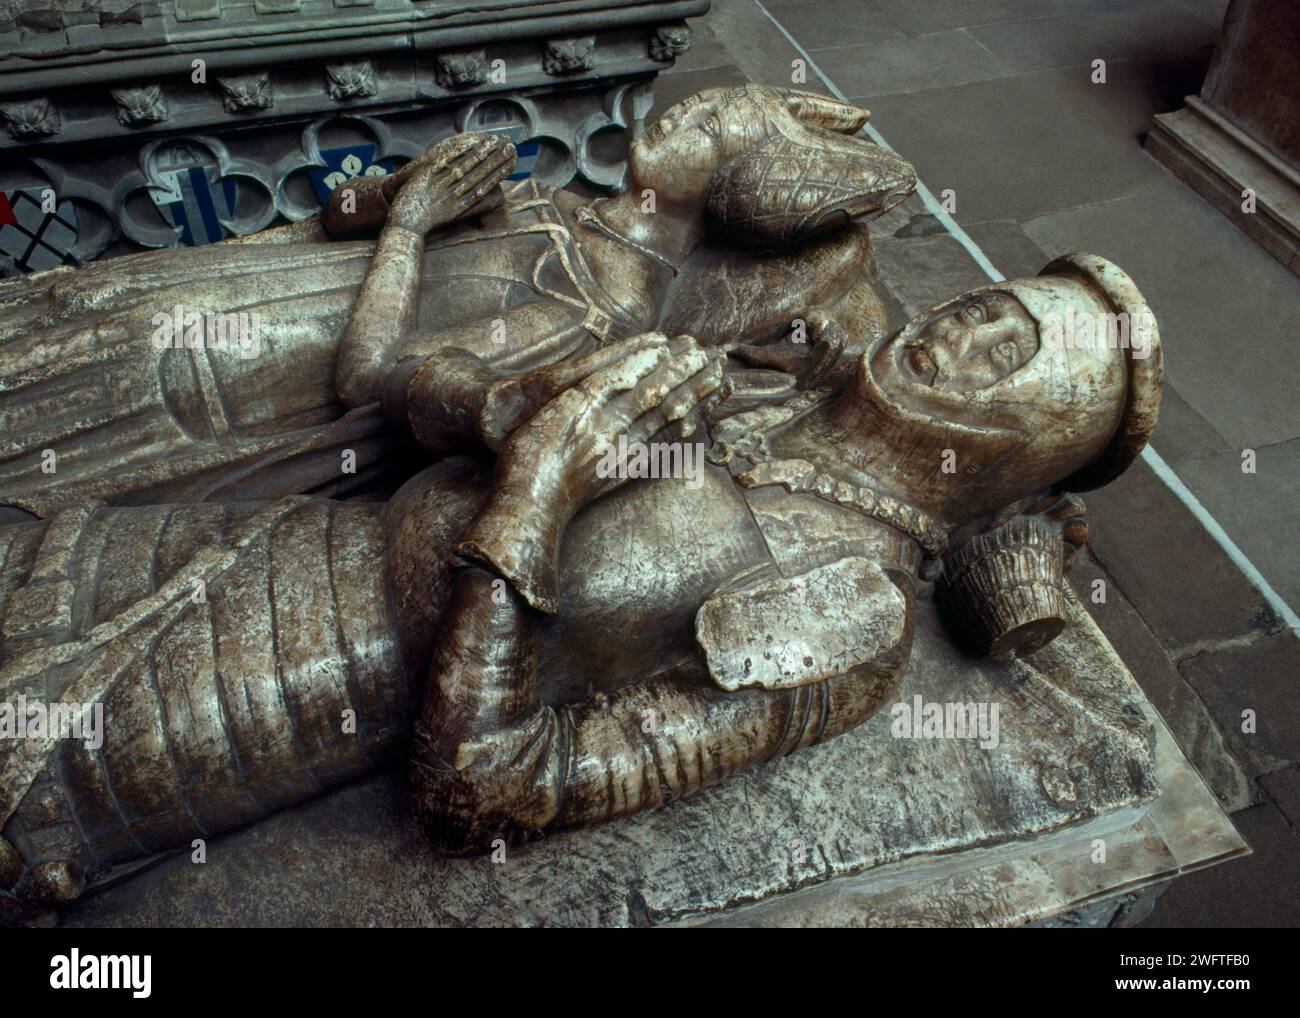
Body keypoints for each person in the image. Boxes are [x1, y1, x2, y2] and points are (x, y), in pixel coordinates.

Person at [0, 254, 1160, 913]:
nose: (956, 337)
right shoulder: (757, 386)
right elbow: (421, 396)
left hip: (201, 711)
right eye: (976, 307)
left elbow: (489, 795)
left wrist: (545, 489)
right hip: (189, 549)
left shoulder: (846, 605)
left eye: (1005, 355)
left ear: (1027, 438)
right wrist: (517, 406)